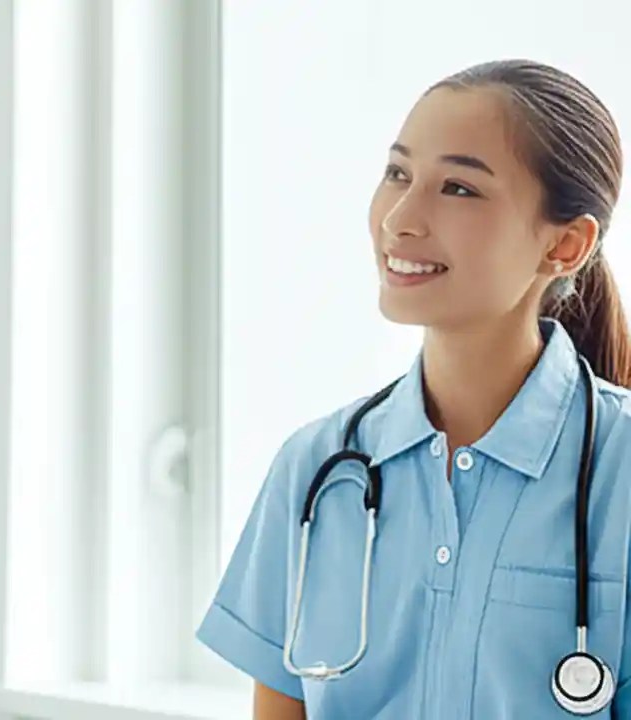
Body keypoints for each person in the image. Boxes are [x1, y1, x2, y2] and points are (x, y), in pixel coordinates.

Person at [197, 59, 631, 719]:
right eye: (398, 173)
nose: (400, 216)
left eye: (458, 188)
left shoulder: (619, 472)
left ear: (565, 247)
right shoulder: (315, 467)